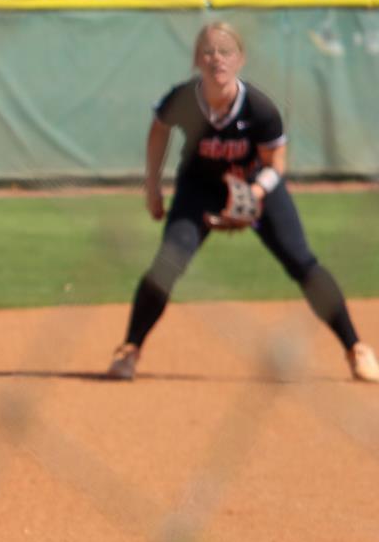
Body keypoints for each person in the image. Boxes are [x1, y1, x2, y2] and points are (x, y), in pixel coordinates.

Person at [109, 22, 378, 384]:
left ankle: (356, 348)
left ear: (240, 59)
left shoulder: (259, 108)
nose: (217, 59)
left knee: (302, 261)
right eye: (208, 51)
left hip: (256, 184)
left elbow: (276, 165)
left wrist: (255, 194)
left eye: (226, 51)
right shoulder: (183, 98)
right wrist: (152, 186)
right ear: (196, 60)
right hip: (200, 188)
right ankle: (130, 348)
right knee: (167, 264)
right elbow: (159, 129)